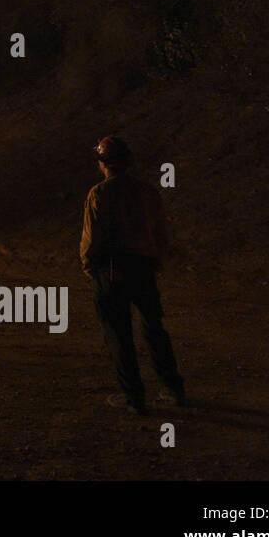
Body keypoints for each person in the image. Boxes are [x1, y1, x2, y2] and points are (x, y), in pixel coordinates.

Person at [80, 136, 186, 413]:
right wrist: (155, 261)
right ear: (128, 161)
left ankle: (133, 396)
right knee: (154, 328)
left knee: (119, 334)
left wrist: (89, 266)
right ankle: (173, 388)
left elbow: (92, 240)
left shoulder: (99, 194)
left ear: (103, 164)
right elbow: (161, 233)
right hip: (143, 267)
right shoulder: (148, 193)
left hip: (112, 269)